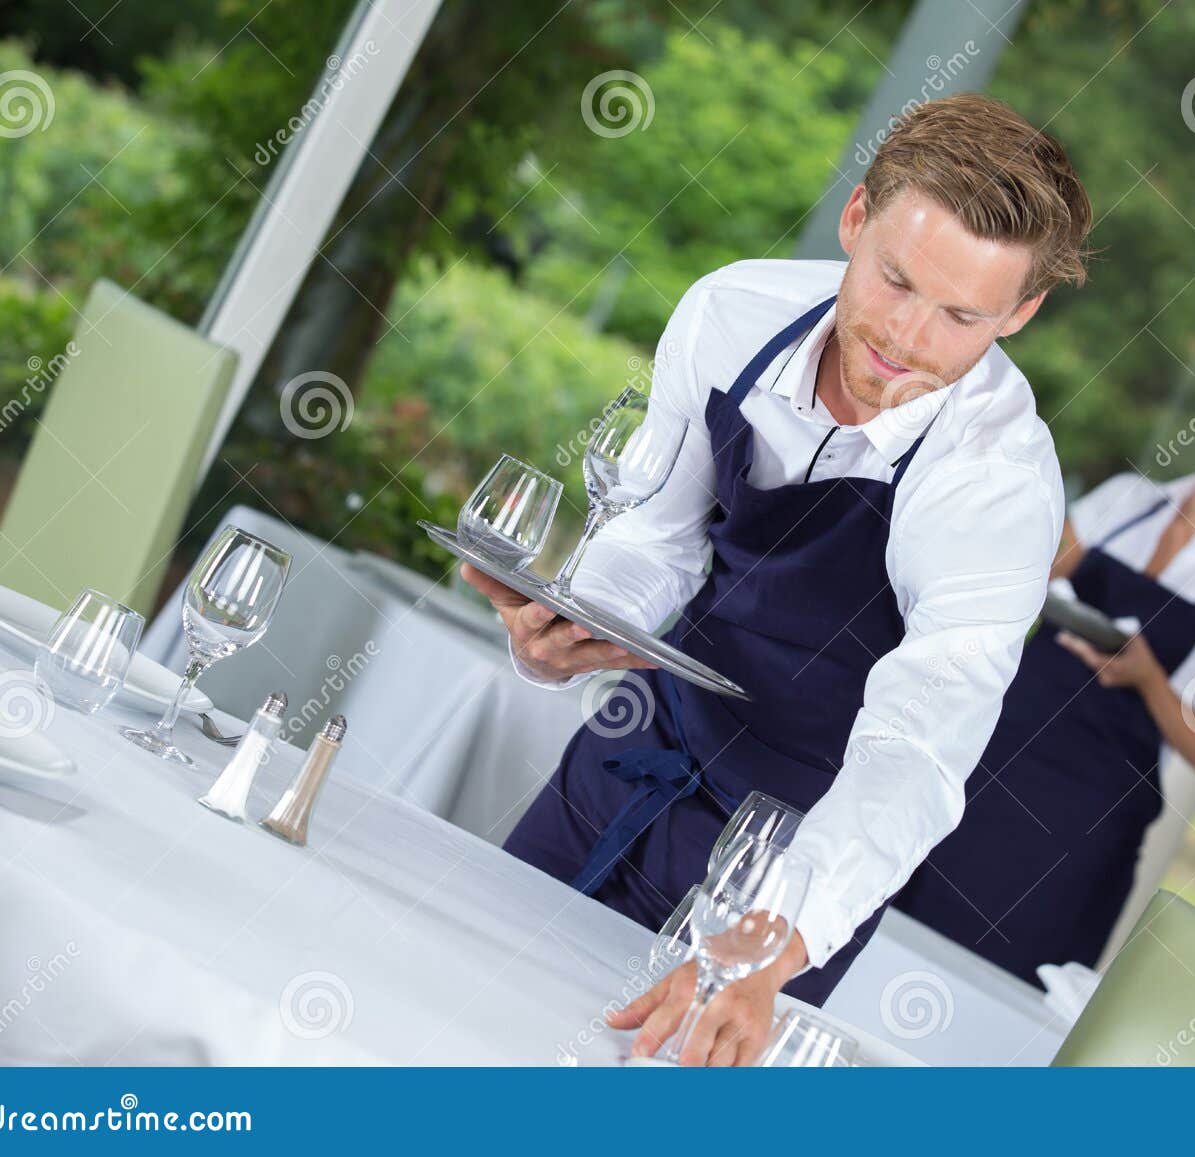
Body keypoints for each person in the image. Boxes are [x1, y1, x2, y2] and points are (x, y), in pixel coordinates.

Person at [459, 93, 1091, 1065]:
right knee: (444, 1023)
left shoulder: (996, 483)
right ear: (854, 218)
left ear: (1021, 313)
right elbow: (655, 533)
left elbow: (919, 748)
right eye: (894, 279)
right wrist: (586, 620)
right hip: (630, 762)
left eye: (961, 315)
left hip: (785, 880)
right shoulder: (729, 310)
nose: (908, 338)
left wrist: (765, 939)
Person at [891, 344, 1195, 984]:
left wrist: (1152, 683)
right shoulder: (1128, 501)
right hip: (977, 765)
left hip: (1070, 834)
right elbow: (1020, 578)